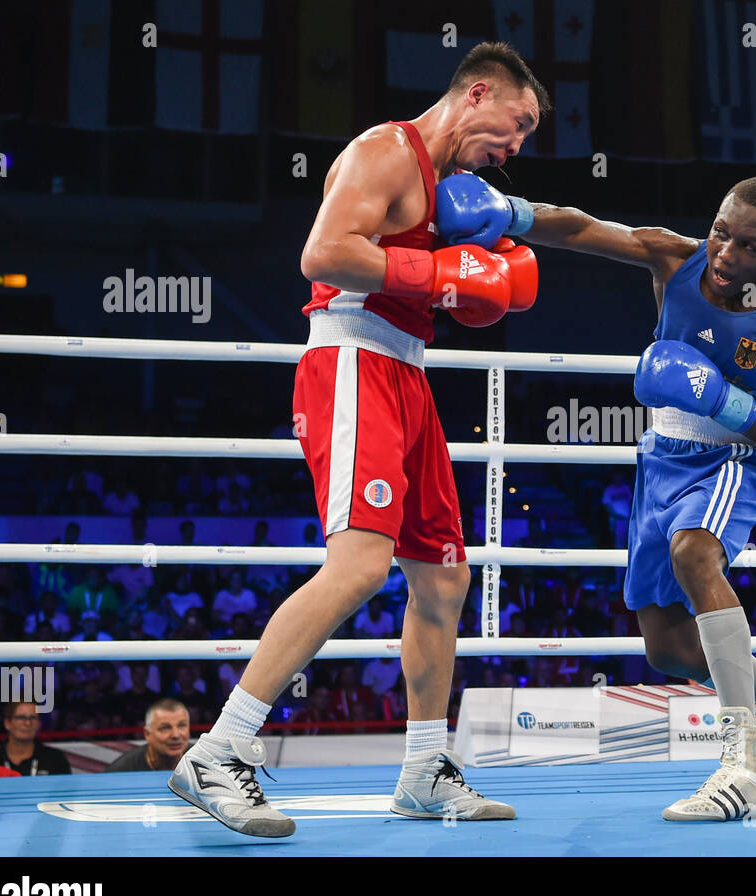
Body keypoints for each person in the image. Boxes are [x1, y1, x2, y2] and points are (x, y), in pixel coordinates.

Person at [169, 41, 547, 835]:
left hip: (407, 373)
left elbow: (432, 274)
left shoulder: (452, 191)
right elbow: (324, 253)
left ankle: (422, 769)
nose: (517, 148)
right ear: (477, 93)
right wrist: (447, 276)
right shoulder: (385, 149)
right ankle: (220, 750)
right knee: (361, 564)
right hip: (352, 360)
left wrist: (464, 277)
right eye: (517, 125)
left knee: (443, 580)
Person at [506, 175, 756, 821]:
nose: (726, 254)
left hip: (736, 458)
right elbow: (579, 226)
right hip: (661, 457)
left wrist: (724, 399)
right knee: (666, 649)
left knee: (696, 555)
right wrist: (507, 211)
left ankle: (743, 767)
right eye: (722, 231)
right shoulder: (675, 256)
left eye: (749, 246)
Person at [0, 702, 71, 776]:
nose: (27, 723)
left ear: (39, 724)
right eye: (21, 718)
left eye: (33, 718)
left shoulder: (56, 759)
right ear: (7, 723)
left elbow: (67, 795)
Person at [106, 699, 192, 772]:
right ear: (147, 734)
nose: (175, 735)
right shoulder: (122, 770)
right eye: (165, 728)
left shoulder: (204, 761)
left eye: (181, 725)